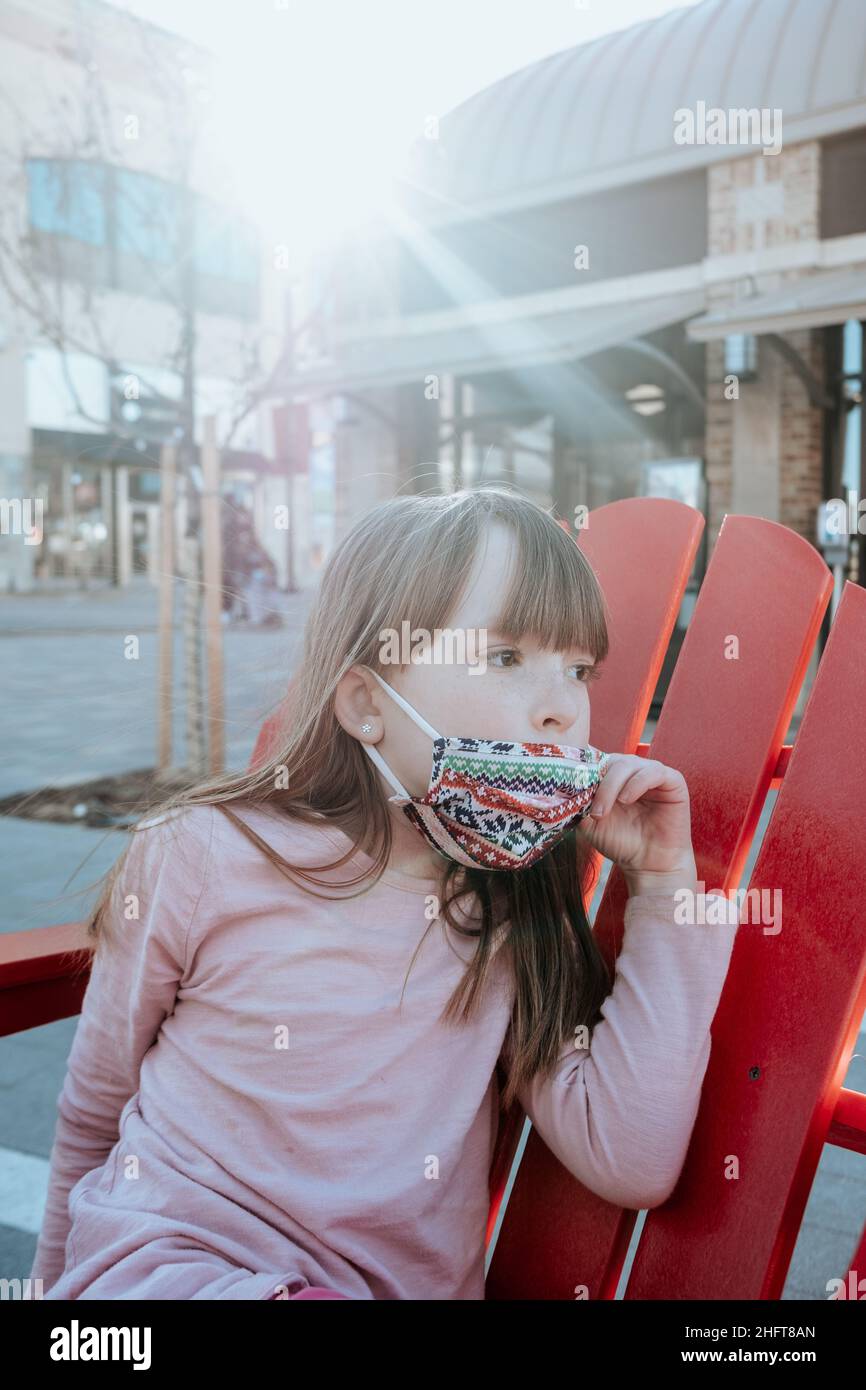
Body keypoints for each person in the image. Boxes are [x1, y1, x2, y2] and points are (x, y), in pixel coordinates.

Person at [30, 486, 738, 1300]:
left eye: (578, 669)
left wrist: (660, 886)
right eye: (505, 658)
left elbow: (631, 1159)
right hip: (172, 1270)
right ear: (368, 703)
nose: (562, 709)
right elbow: (96, 1108)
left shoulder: (509, 907)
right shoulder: (203, 853)